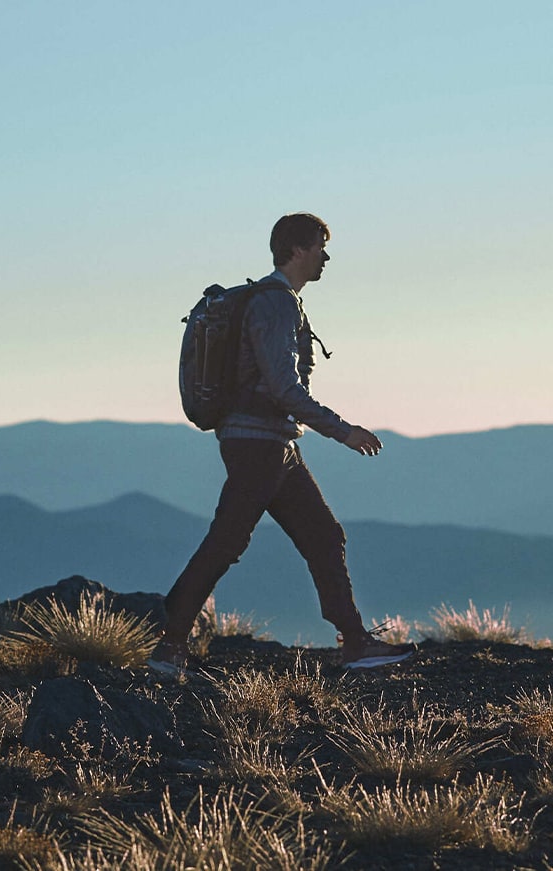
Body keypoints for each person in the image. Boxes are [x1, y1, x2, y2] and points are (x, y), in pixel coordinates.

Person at [151, 212, 413, 672]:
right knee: (227, 542)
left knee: (324, 536)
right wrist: (343, 430)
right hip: (259, 445)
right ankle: (167, 643)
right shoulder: (276, 305)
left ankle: (355, 641)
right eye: (319, 247)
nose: (325, 257)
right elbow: (283, 388)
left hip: (274, 445)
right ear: (296, 250)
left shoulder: (280, 300)